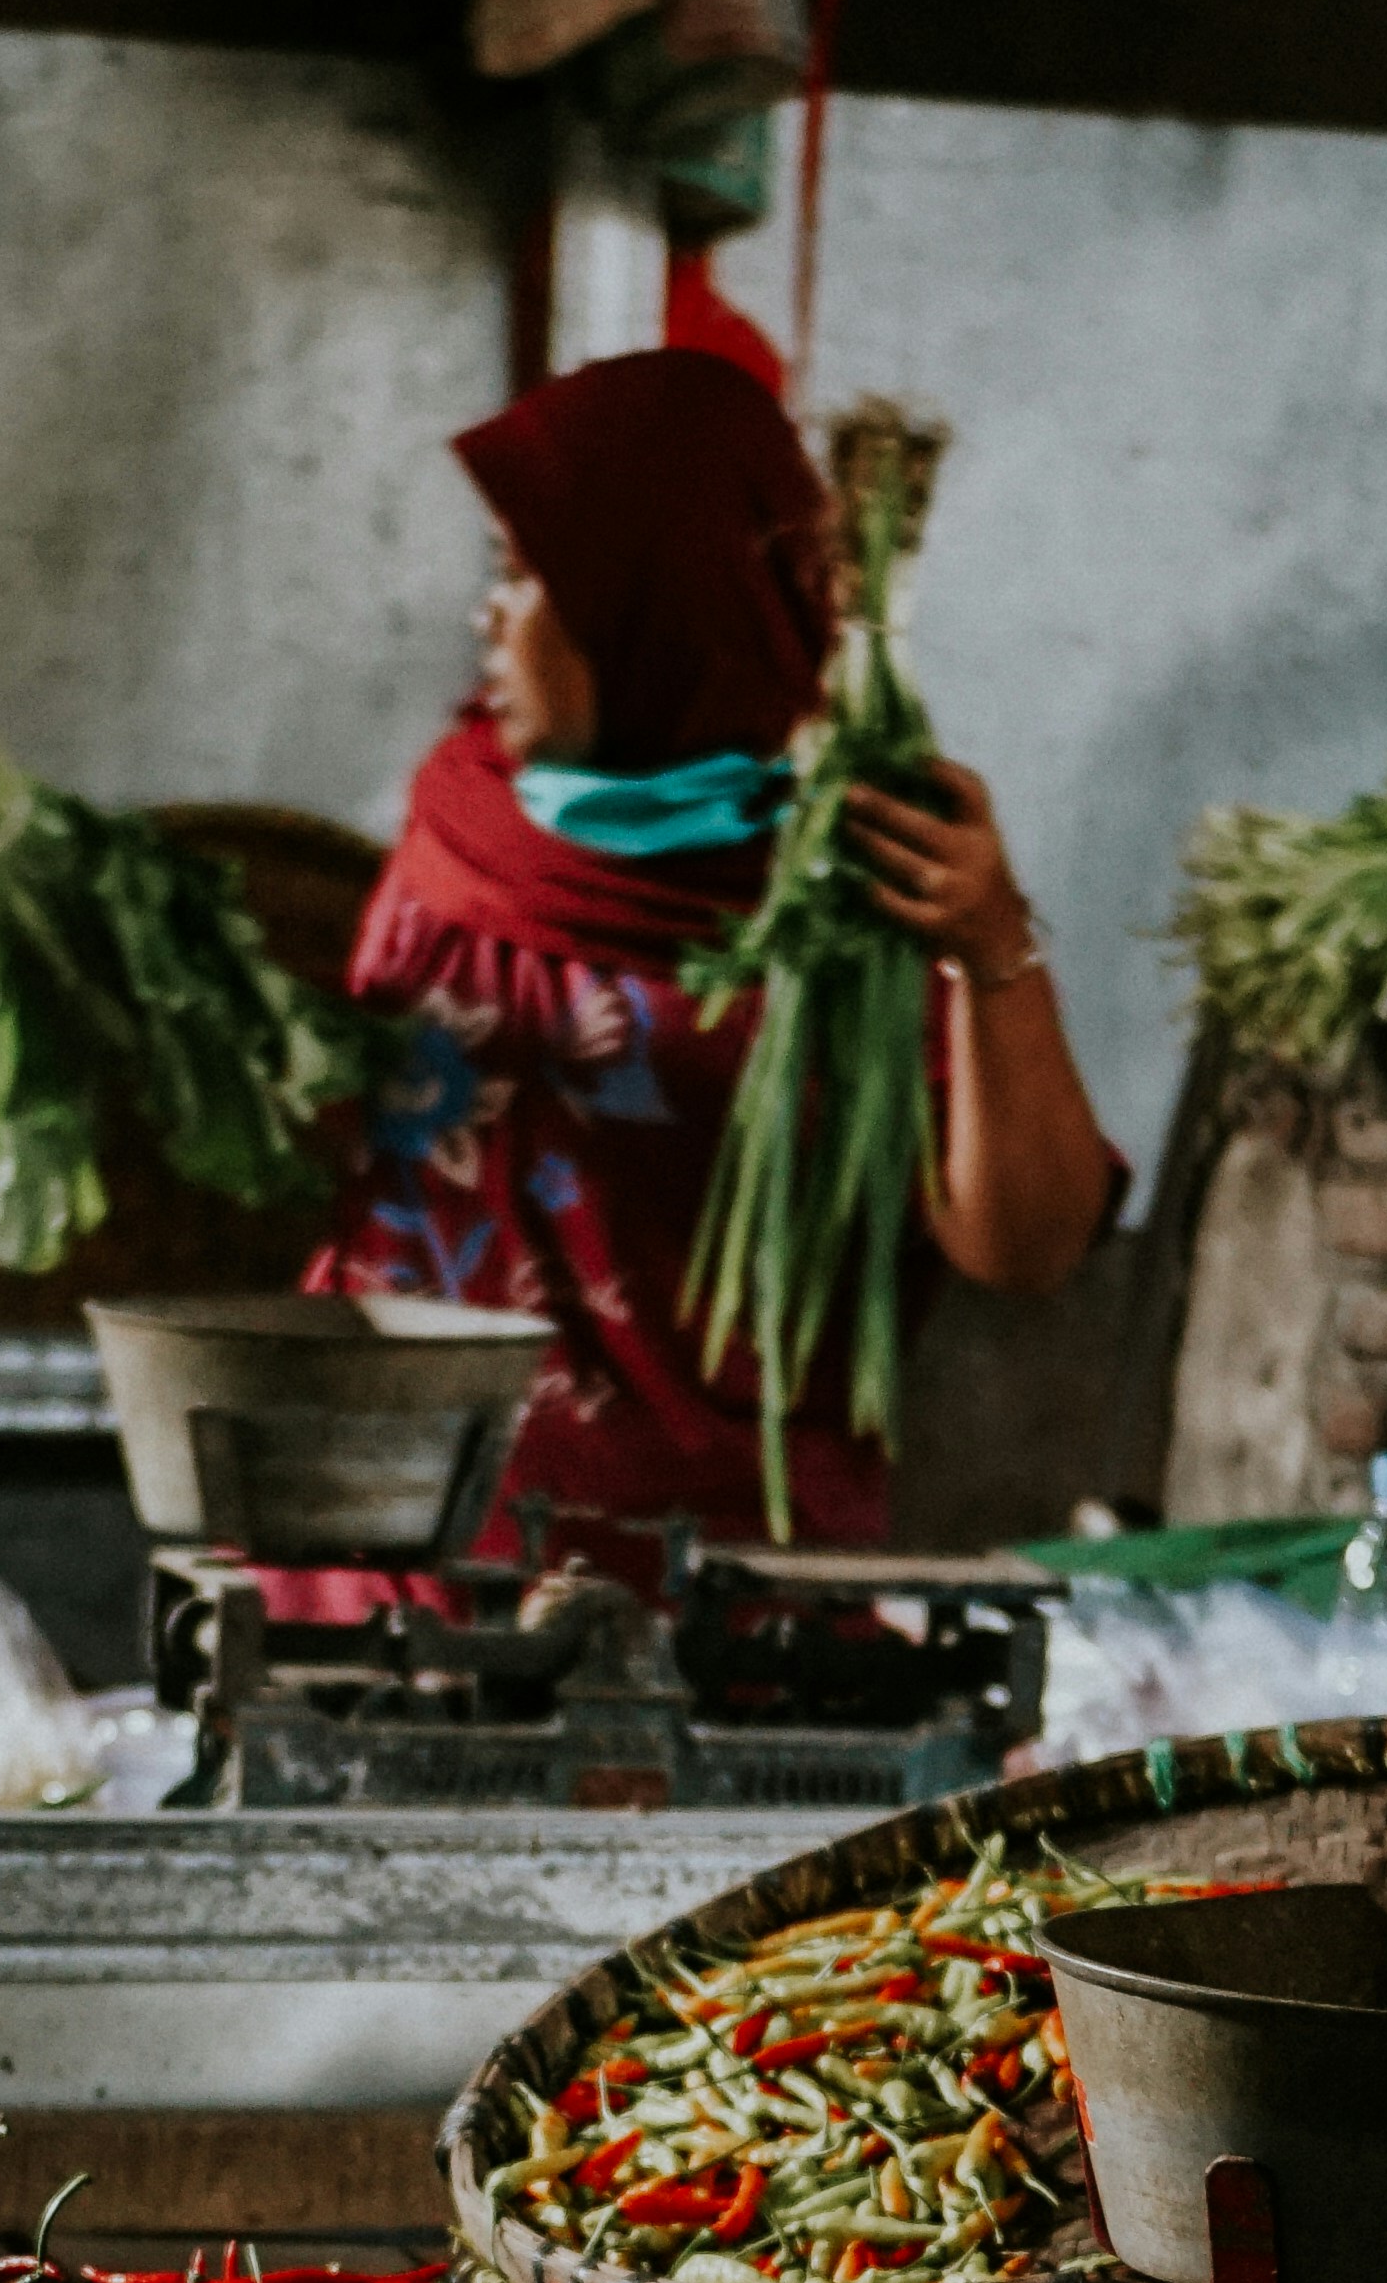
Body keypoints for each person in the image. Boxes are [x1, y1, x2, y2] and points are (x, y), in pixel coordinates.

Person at [310, 345, 1114, 1553]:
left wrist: (991, 951)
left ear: (653, 608)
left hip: (702, 1601)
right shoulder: (460, 809)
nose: (487, 614)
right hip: (375, 1541)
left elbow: (1025, 1247)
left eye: (530, 579)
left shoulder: (854, 881)